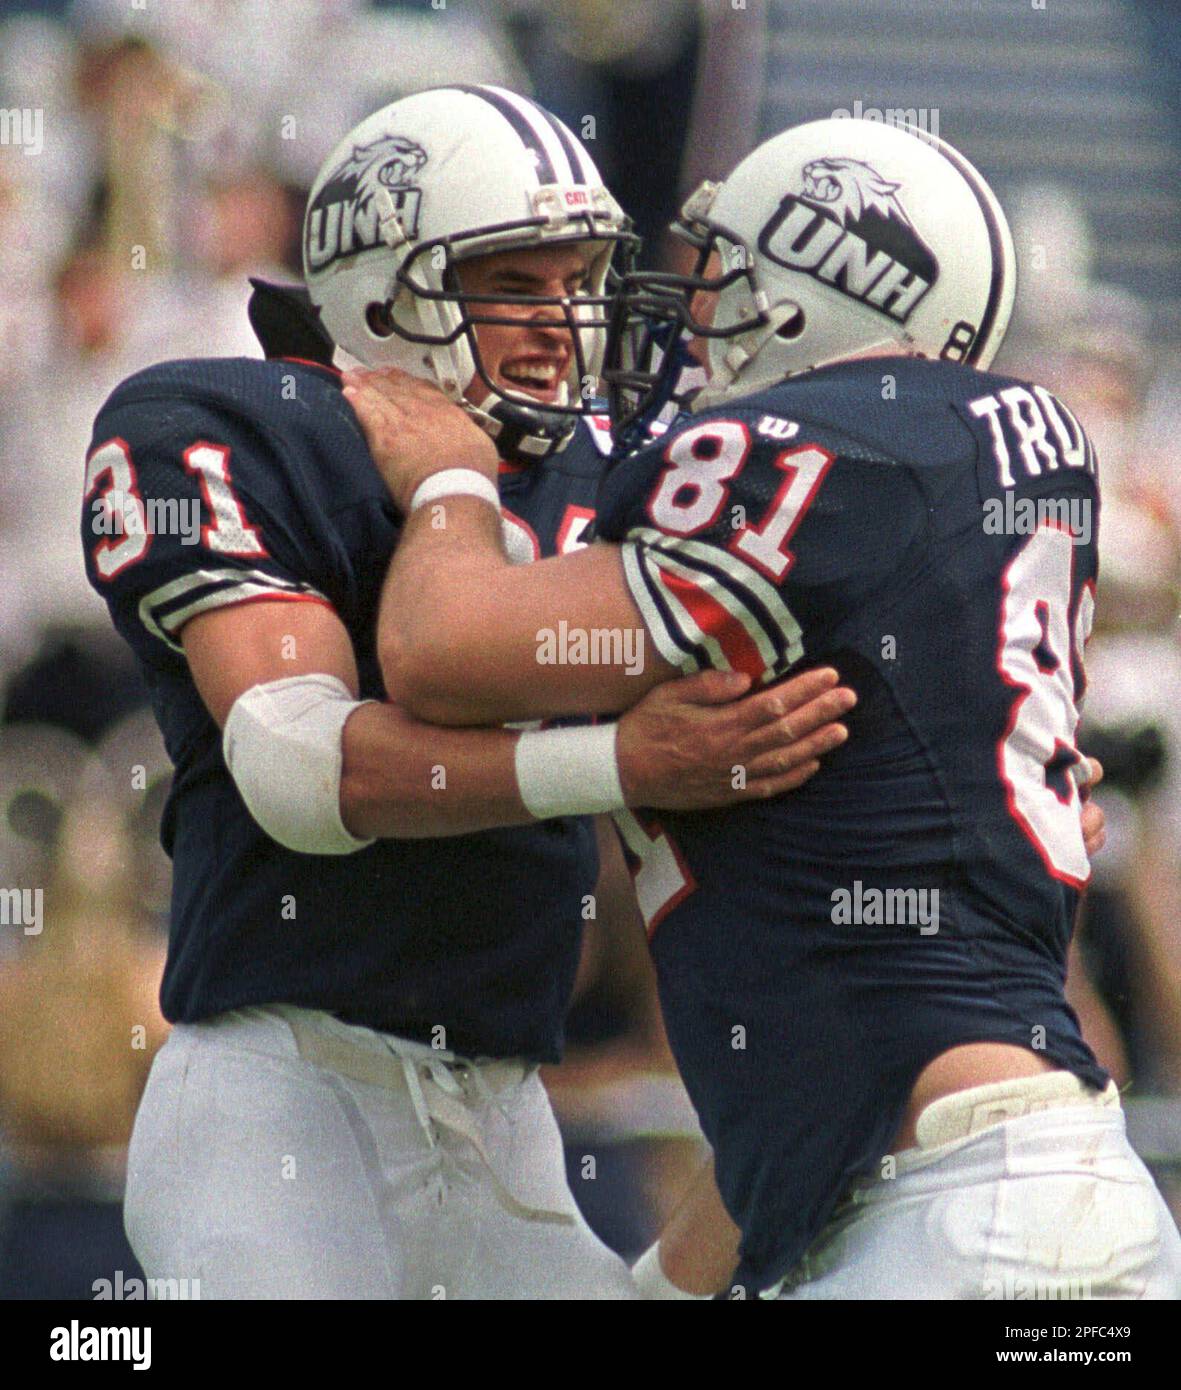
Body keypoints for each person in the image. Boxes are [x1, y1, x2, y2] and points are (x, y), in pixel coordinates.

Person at [343, 115, 1181, 1300]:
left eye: (723, 281)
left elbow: (437, 653)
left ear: (816, 291)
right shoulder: (968, 474)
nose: (690, 320)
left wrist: (445, 480)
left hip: (963, 1231)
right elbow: (817, 1113)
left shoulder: (811, 454)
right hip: (1046, 1205)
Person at [79, 86, 854, 1300]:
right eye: (517, 284)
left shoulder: (613, 466)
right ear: (384, 296)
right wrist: (621, 761)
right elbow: (298, 769)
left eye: (579, 281)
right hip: (283, 1092)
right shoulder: (227, 423)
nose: (565, 324)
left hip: (502, 1106)